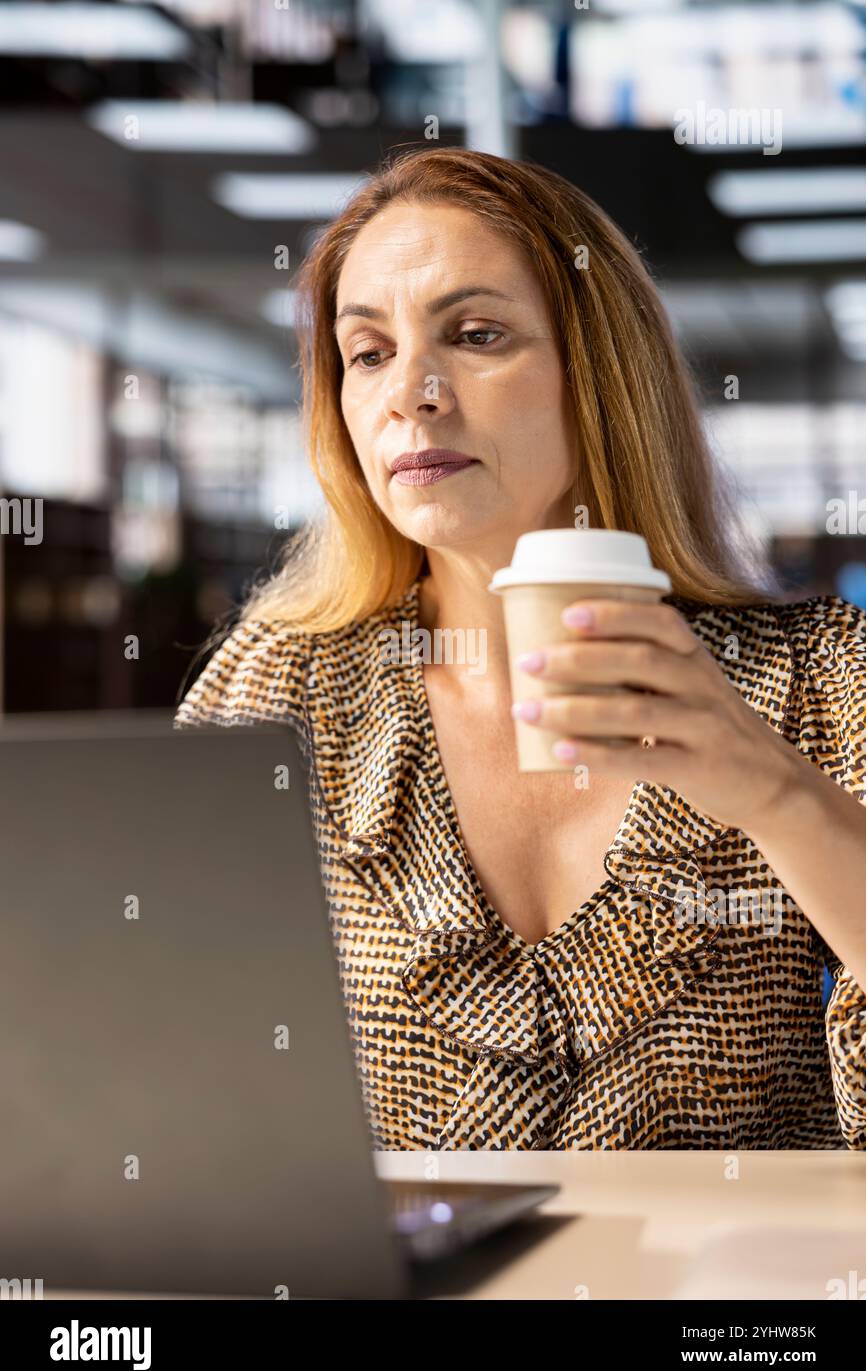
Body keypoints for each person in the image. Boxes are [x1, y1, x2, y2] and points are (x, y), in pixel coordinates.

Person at [175, 147, 866, 1151]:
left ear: (595, 370)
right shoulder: (281, 681)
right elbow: (166, 1049)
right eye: (366, 352)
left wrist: (774, 793)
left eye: (475, 334)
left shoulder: (818, 677)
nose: (409, 391)